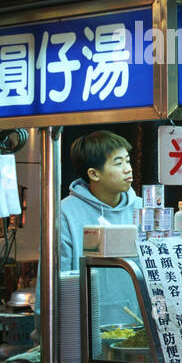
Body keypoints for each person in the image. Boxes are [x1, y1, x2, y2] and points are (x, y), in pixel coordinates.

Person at [56, 131, 142, 326]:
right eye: (118, 163)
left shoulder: (142, 209)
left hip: (138, 325)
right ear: (94, 174)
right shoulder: (66, 212)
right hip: (83, 329)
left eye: (128, 161)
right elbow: (53, 279)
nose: (128, 169)